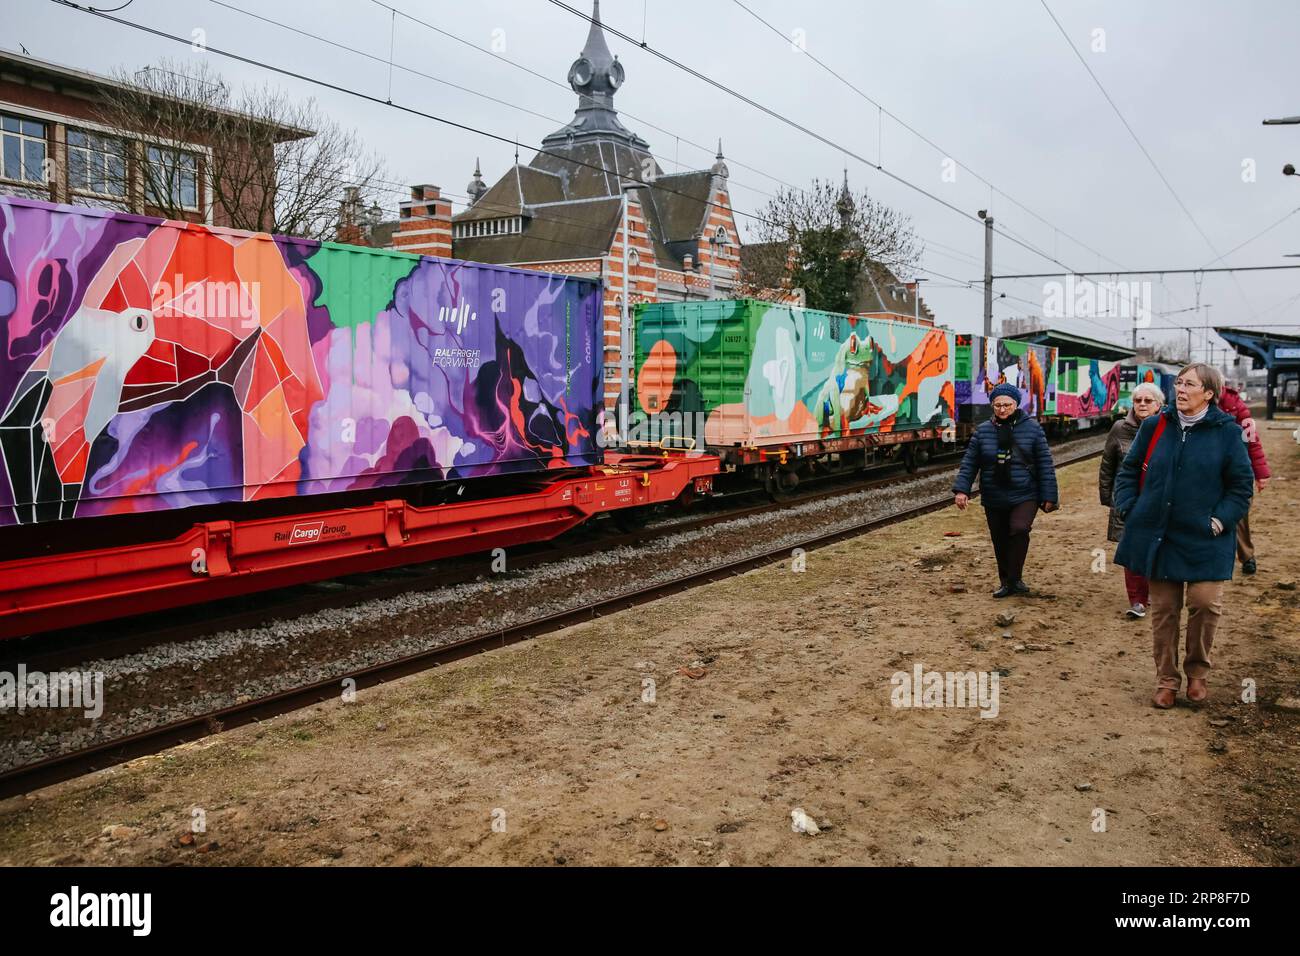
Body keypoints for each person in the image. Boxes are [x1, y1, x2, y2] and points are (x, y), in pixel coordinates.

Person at [1112, 363, 1254, 709]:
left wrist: (1219, 522)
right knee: (1164, 610)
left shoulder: (1226, 432)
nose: (1180, 389)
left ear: (1209, 393)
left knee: (1205, 604)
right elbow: (1128, 471)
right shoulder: (1155, 426)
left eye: (1189, 384)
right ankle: (1166, 680)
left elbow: (1240, 486)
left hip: (1206, 537)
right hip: (1161, 535)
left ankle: (1197, 673)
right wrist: (1129, 507)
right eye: (1178, 383)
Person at [953, 382, 1059, 598]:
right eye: (997, 405)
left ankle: (1015, 578)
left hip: (1025, 493)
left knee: (1019, 529)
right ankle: (1007, 582)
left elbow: (1044, 463)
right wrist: (962, 490)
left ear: (1016, 404)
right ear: (992, 406)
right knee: (999, 539)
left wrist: (1049, 495)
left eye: (1007, 405)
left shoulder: (1032, 428)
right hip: (994, 494)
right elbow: (970, 463)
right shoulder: (983, 431)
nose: (1002, 409)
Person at [1099, 382, 1165, 619]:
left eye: (1148, 401)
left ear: (1159, 405)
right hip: (1128, 500)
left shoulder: (1169, 428)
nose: (1142, 405)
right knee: (1132, 549)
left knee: (1158, 547)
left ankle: (1155, 594)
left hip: (1159, 500)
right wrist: (1108, 497)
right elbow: (1108, 464)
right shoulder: (1119, 428)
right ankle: (1137, 600)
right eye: (1138, 400)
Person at [1217, 384, 1270, 574]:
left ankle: (1247, 556)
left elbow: (1251, 439)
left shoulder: (1237, 407)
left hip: (1235, 469)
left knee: (1239, 514)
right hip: (1208, 469)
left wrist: (1261, 473)